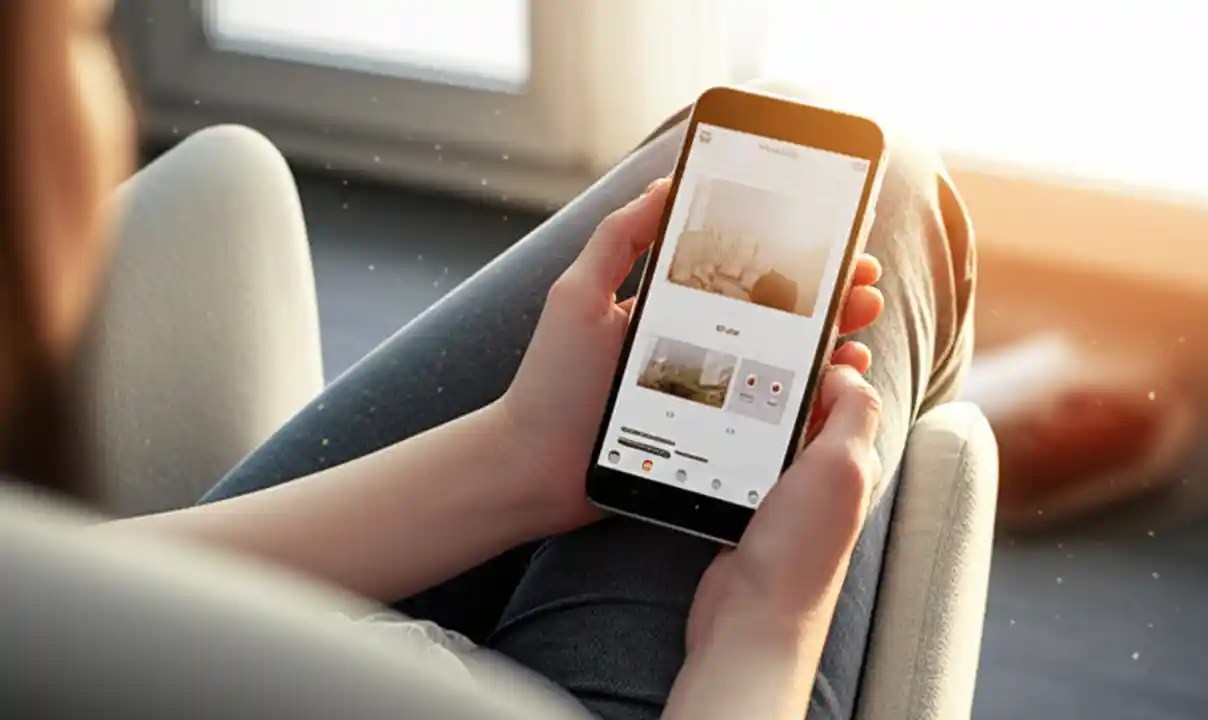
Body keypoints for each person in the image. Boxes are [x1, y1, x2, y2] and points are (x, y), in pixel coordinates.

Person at [0, 1, 976, 718]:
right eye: (83, 34)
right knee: (872, 187)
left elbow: (46, 607)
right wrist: (761, 632)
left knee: (801, 163)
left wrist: (515, 456)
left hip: (226, 638)